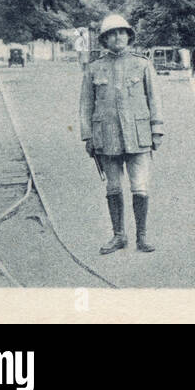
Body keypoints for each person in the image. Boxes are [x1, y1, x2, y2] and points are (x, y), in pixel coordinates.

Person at [79, 14, 165, 254]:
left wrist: (157, 130)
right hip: (106, 138)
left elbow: (154, 99)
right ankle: (118, 236)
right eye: (112, 34)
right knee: (113, 189)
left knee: (140, 187)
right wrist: (88, 137)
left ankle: (142, 236)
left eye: (121, 33)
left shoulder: (143, 64)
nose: (118, 37)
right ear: (105, 40)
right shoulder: (94, 68)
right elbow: (86, 105)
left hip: (138, 137)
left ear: (129, 36)